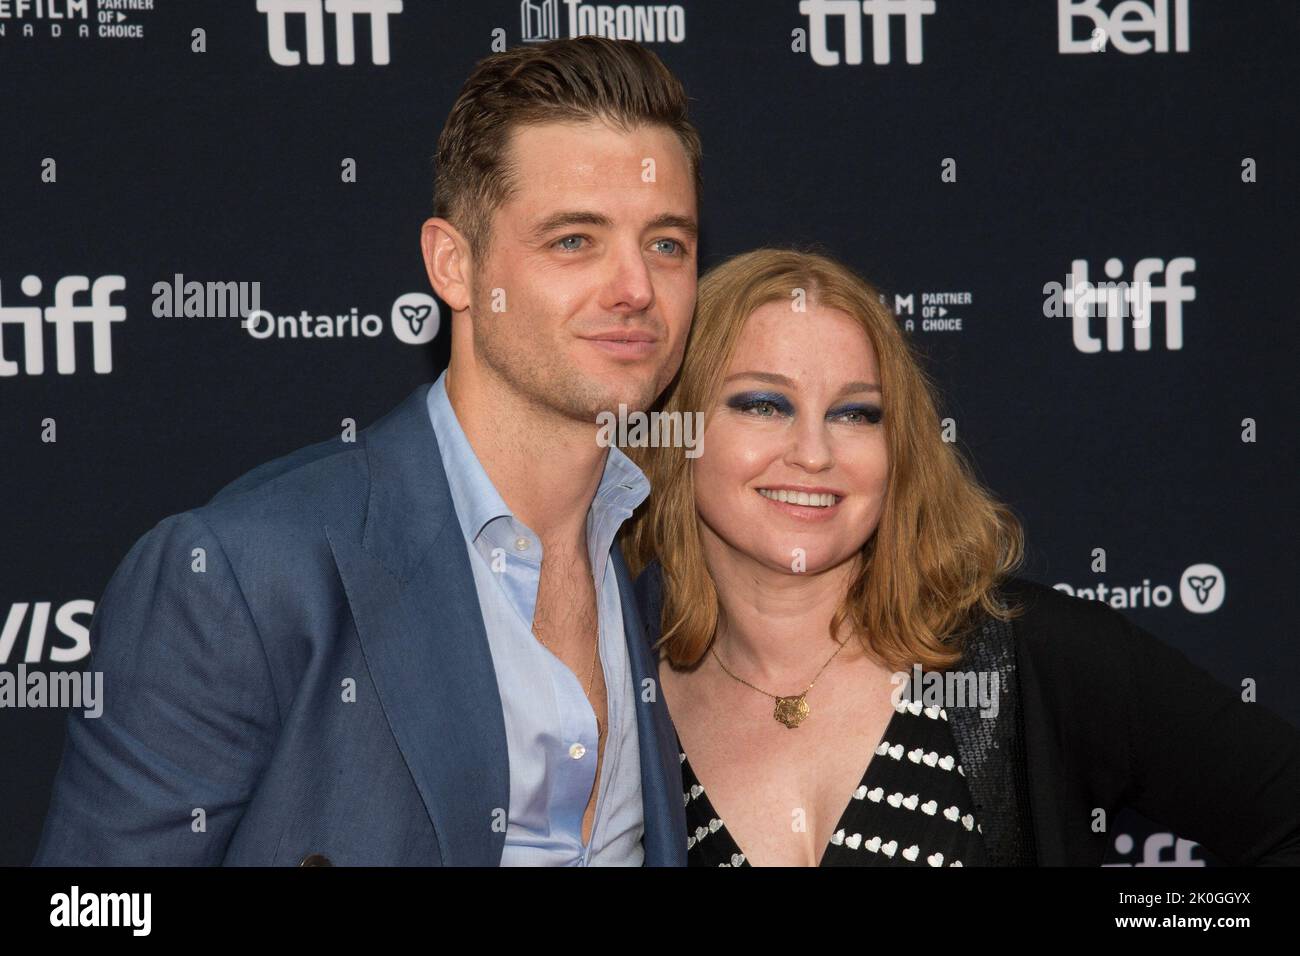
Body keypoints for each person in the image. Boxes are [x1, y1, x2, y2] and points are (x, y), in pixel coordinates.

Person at [33, 36, 698, 867]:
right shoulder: (243, 577)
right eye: (574, 241)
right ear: (453, 266)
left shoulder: (666, 574)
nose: (635, 287)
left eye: (667, 243)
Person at [624, 247, 1300, 867]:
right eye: (764, 405)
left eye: (857, 414)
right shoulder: (622, 703)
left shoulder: (1031, 654)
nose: (814, 453)